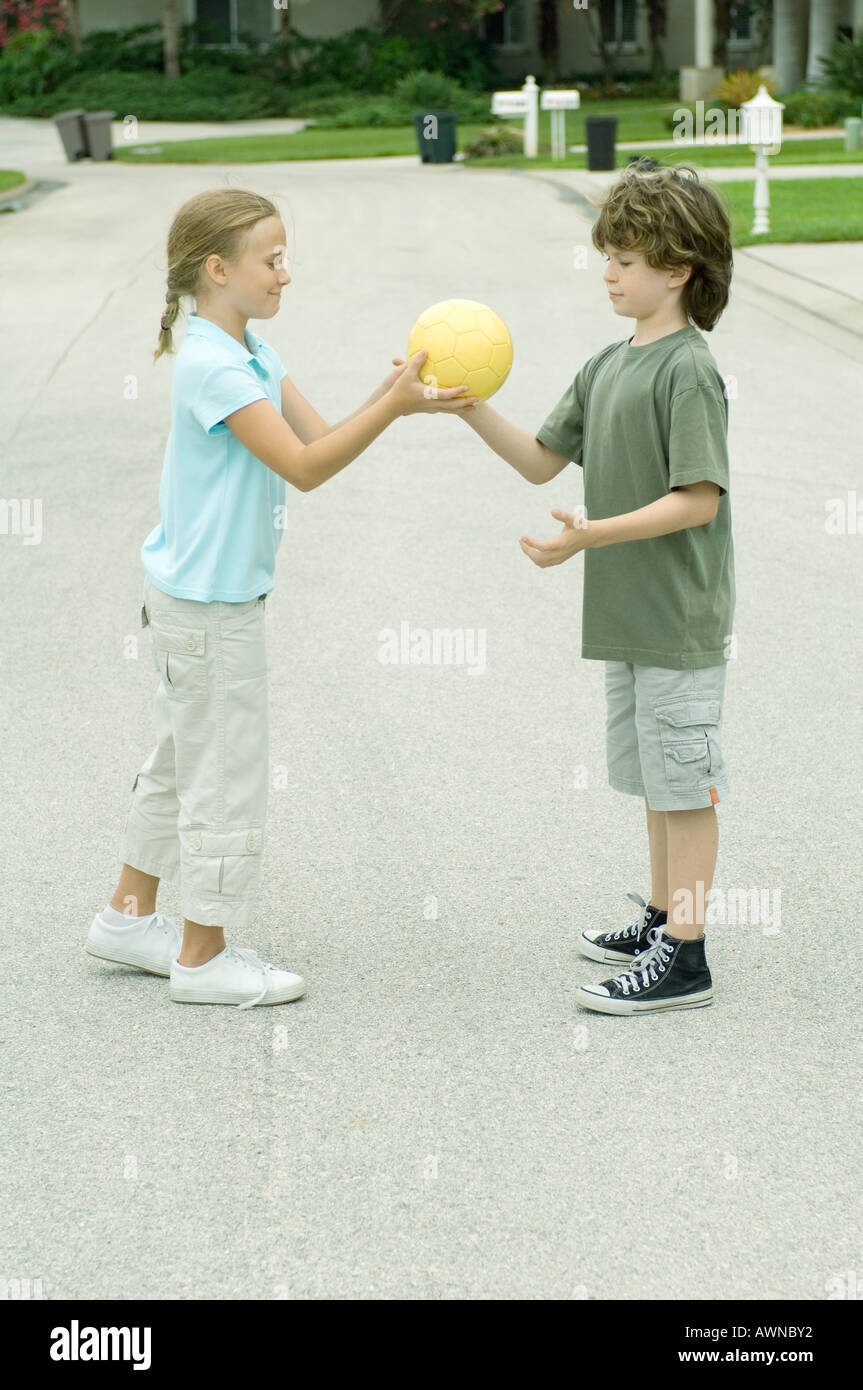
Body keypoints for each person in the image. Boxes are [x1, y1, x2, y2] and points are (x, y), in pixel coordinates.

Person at [85, 186, 476, 1009]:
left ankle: (127, 918)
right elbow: (305, 469)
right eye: (273, 259)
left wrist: (398, 397)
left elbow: (314, 434)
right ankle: (201, 957)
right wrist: (395, 409)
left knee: (179, 763)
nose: (286, 274)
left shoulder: (248, 351)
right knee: (223, 778)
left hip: (193, 606)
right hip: (211, 614)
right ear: (219, 269)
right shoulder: (212, 366)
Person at [460, 159, 735, 1015]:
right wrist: (465, 405)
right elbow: (541, 458)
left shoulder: (687, 369)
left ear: (679, 269)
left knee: (684, 788)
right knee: (656, 781)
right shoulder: (607, 363)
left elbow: (697, 501)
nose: (608, 272)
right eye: (606, 255)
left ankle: (684, 956)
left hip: (676, 615)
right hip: (628, 616)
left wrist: (589, 537)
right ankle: (661, 917)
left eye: (625, 257)